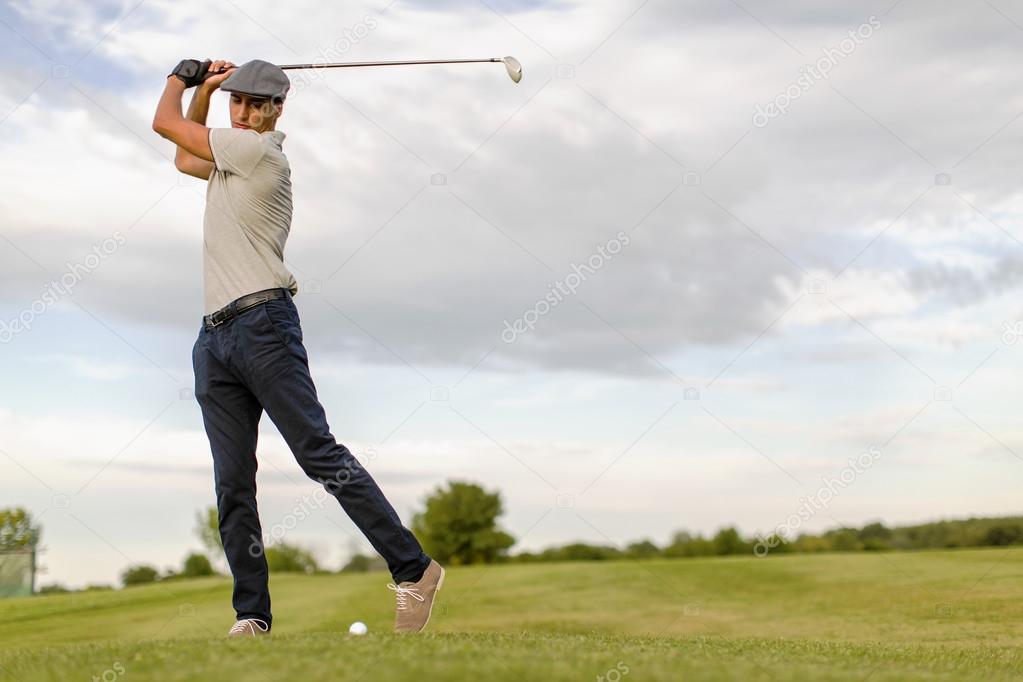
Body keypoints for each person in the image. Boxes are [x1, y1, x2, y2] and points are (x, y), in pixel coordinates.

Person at [151, 58, 444, 637]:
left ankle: (415, 569)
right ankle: (251, 617)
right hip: (214, 338)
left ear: (277, 109)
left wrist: (179, 81)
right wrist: (207, 92)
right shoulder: (227, 161)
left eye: (252, 104)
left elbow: (166, 126)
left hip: (263, 325)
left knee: (319, 456)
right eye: (235, 103)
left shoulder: (257, 154)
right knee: (232, 484)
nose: (242, 112)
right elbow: (185, 156)